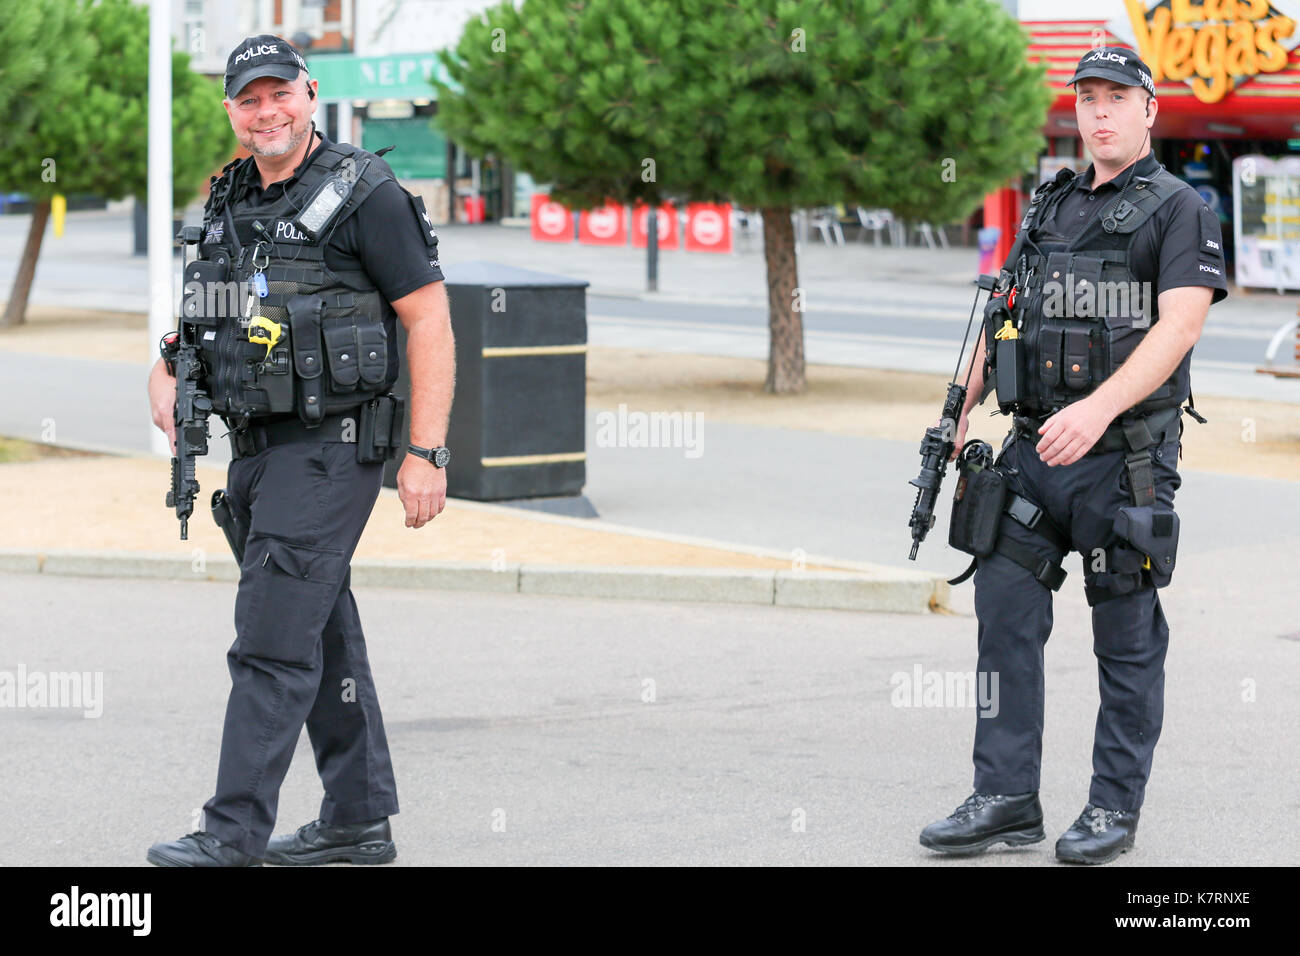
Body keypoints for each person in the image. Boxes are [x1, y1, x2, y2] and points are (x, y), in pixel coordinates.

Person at [145, 35, 455, 866]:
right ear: (233, 110)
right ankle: (356, 821)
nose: (266, 111)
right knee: (318, 633)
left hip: (332, 449)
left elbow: (428, 319)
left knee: (270, 642)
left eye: (280, 94)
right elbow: (206, 307)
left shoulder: (365, 193)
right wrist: (168, 366)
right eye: (249, 99)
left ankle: (230, 833)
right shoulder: (229, 196)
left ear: (310, 94)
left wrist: (427, 452)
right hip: (254, 451)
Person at [920, 48, 1228, 864]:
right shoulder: (1049, 203)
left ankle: (1111, 810)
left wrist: (1097, 409)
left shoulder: (1179, 210)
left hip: (1122, 458)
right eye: (1088, 99)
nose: (1100, 113)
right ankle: (1005, 796)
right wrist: (959, 406)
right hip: (1031, 455)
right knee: (1004, 623)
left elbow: (1180, 327)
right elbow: (1004, 313)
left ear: (1149, 110)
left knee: (1125, 639)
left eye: (1116, 99)